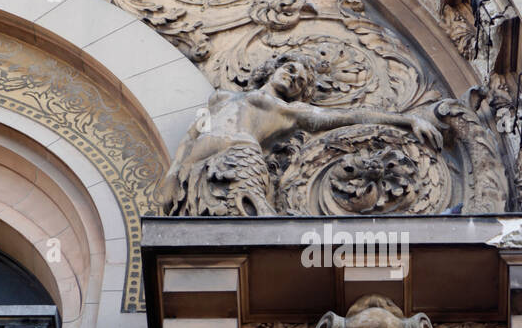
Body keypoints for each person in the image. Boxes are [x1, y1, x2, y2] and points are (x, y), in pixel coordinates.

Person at [158, 53, 443, 217]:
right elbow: (191, 134)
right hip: (195, 168)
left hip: (239, 162)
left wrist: (407, 119)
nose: (293, 76)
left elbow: (345, 116)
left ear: (300, 94)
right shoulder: (219, 97)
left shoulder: (287, 111)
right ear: (275, 68)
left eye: (300, 81)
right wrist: (173, 174)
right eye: (290, 69)